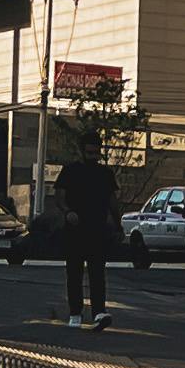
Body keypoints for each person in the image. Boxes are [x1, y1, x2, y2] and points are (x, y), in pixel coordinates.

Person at [55, 136, 121, 330]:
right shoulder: (71, 171)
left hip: (97, 230)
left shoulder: (105, 174)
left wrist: (118, 225)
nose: (92, 156)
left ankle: (99, 312)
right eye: (89, 152)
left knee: (97, 273)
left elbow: (112, 201)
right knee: (74, 273)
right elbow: (59, 197)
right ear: (82, 151)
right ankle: (75, 313)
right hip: (75, 230)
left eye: (95, 152)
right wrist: (68, 212)